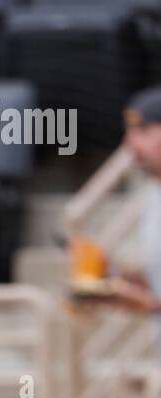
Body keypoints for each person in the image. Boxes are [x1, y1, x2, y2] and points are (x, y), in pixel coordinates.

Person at [106, 89, 161, 317]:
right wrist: (110, 278)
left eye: (144, 131)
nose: (131, 143)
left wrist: (152, 305)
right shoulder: (152, 194)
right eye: (129, 132)